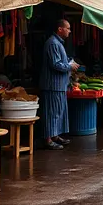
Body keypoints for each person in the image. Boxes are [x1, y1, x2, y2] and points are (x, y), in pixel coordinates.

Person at [41, 19, 79, 150]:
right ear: (60, 29)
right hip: (53, 85)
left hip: (60, 85)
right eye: (67, 28)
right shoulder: (53, 43)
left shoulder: (58, 43)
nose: (69, 31)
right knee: (52, 112)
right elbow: (55, 64)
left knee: (59, 111)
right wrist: (69, 66)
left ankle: (55, 136)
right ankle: (48, 139)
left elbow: (60, 61)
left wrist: (69, 62)